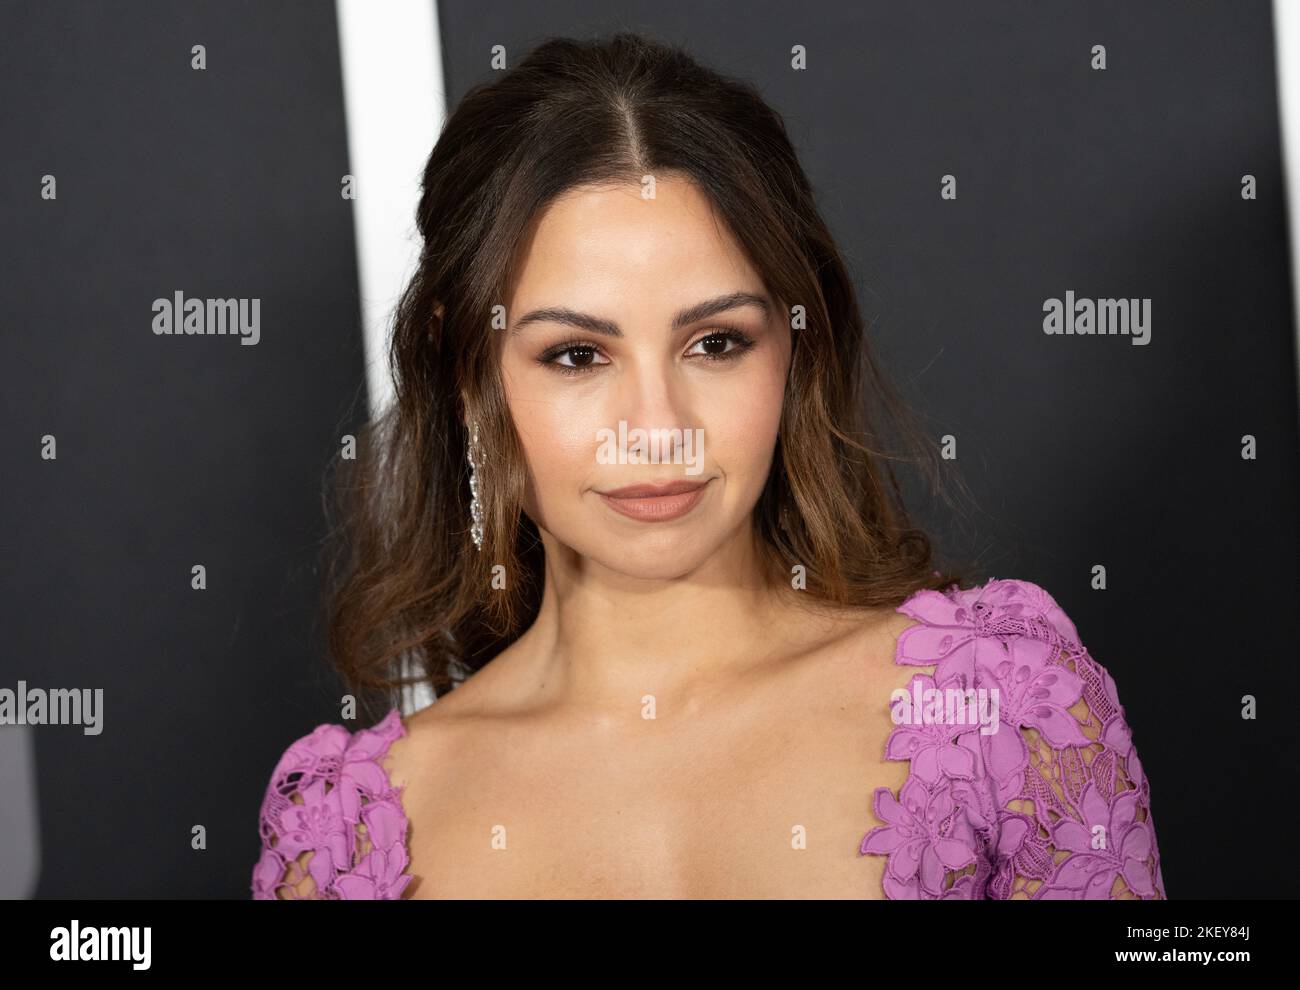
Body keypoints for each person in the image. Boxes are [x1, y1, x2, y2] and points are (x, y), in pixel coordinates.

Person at [251, 32, 1164, 900]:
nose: (658, 429)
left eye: (716, 342)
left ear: (797, 345)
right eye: (576, 355)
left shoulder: (1003, 704)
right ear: (463, 372)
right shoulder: (348, 839)